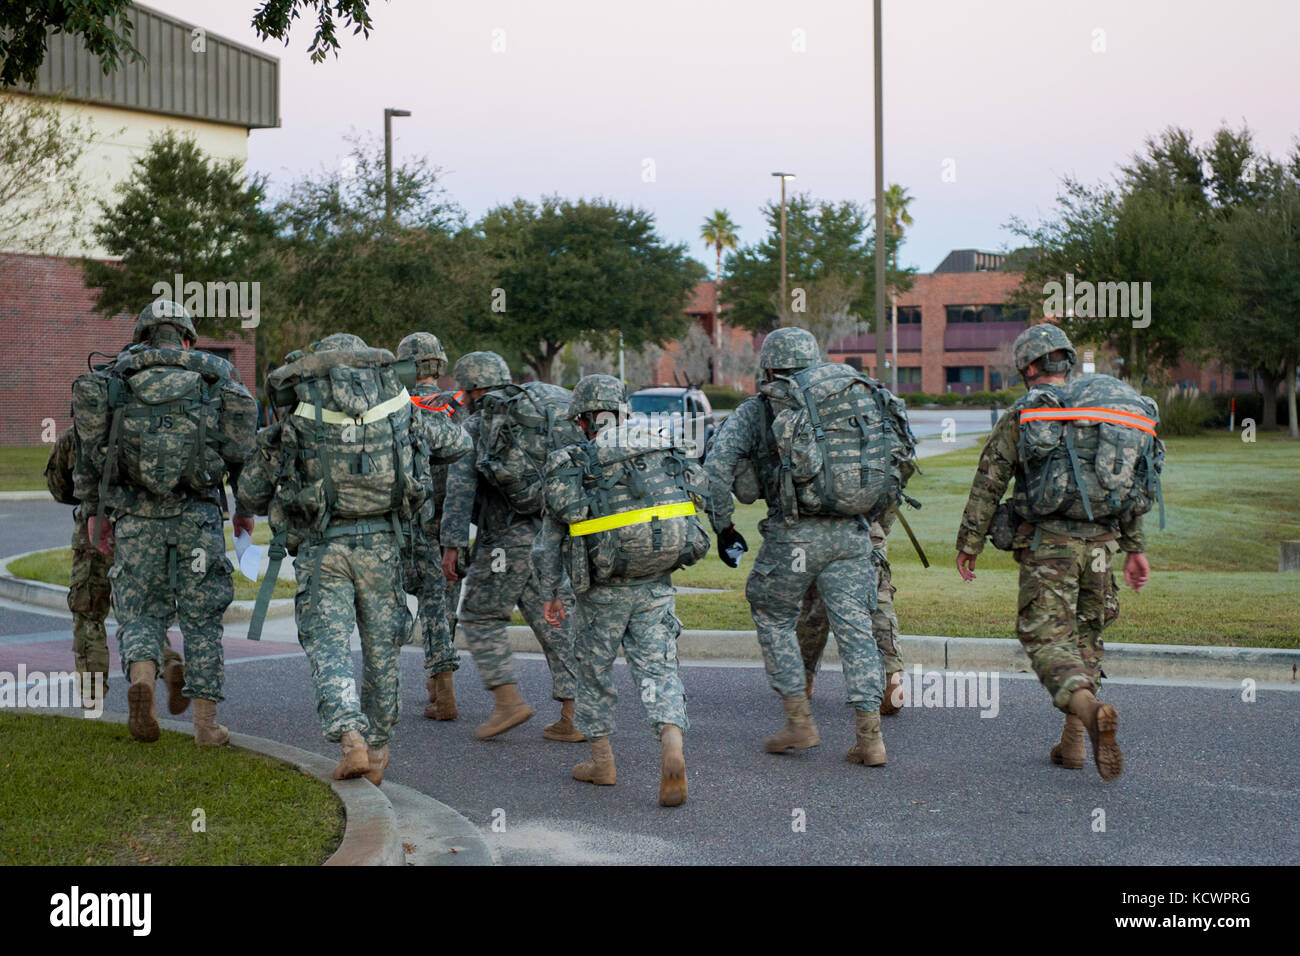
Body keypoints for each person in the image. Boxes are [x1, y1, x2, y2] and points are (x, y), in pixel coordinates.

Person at [236, 333, 471, 783]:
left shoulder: (300, 412)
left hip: (323, 548)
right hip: (384, 545)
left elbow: (250, 492)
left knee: (330, 644)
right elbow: (458, 443)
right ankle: (378, 749)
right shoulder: (399, 407)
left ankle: (351, 737)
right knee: (383, 650)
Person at [955, 324, 1157, 781]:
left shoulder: (1027, 412)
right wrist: (1135, 549)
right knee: (1087, 637)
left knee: (1046, 636)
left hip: (1050, 546)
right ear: (1065, 361)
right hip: (1103, 548)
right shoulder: (1104, 412)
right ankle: (1073, 745)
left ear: (1028, 366)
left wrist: (970, 542)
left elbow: (990, 479)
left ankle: (1086, 707)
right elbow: (1126, 484)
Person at [703, 327, 902, 766]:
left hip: (794, 536)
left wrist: (723, 527)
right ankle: (870, 739)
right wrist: (873, 520)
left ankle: (799, 722)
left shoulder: (755, 410)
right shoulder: (852, 400)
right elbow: (893, 464)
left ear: (767, 367)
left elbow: (715, 470)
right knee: (855, 628)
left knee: (773, 615)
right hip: (851, 534)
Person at [71, 300, 256, 745]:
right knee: (202, 618)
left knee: (139, 613)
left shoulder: (115, 380)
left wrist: (97, 513)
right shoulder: (215, 379)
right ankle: (206, 726)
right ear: (187, 339)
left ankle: (142, 681)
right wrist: (244, 509)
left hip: (136, 519)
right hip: (197, 519)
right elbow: (240, 454)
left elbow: (90, 455)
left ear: (143, 337)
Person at [534, 375, 707, 806]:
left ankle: (602, 763)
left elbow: (549, 539)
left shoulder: (572, 460)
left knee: (594, 671)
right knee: (659, 669)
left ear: (583, 420)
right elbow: (702, 492)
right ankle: (671, 743)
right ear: (623, 412)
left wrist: (550, 591)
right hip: (655, 581)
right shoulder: (657, 447)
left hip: (602, 589)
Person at [440, 351, 581, 741]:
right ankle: (574, 714)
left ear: (472, 389)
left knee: (480, 615)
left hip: (505, 542)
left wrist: (452, 545)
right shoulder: (545, 409)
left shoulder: (477, 426)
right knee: (553, 621)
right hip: (552, 537)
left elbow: (459, 491)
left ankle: (508, 702)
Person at [45, 427, 186, 711]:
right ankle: (168, 663)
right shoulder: (141, 427)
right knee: (143, 612)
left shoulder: (78, 436)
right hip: (141, 531)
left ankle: (92, 695)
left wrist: (89, 497)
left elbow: (59, 486)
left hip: (93, 535)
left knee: (89, 613)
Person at [396, 332, 468, 721]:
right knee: (444, 606)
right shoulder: (459, 406)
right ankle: (441, 688)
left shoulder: (396, 407)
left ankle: (435, 689)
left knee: (420, 602)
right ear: (439, 365)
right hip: (452, 522)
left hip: (412, 520)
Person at [796, 513, 905, 712]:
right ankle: (891, 679)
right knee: (878, 602)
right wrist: (878, 527)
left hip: (818, 533)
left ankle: (803, 676)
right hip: (867, 531)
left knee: (815, 606)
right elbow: (890, 499)